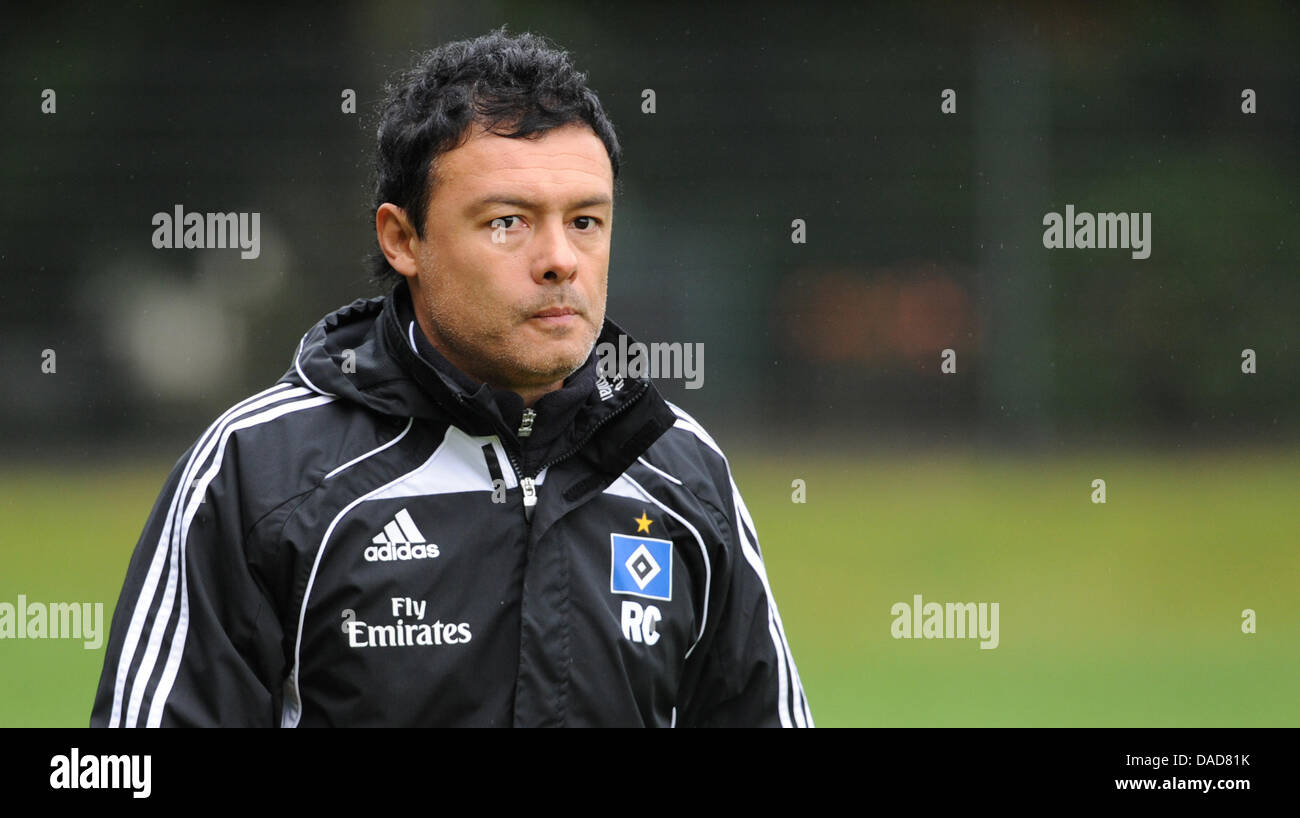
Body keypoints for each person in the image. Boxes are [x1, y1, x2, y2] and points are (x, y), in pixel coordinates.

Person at [90, 27, 811, 727]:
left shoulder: (682, 473)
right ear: (403, 240)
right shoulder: (258, 474)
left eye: (586, 221)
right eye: (508, 222)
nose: (560, 258)